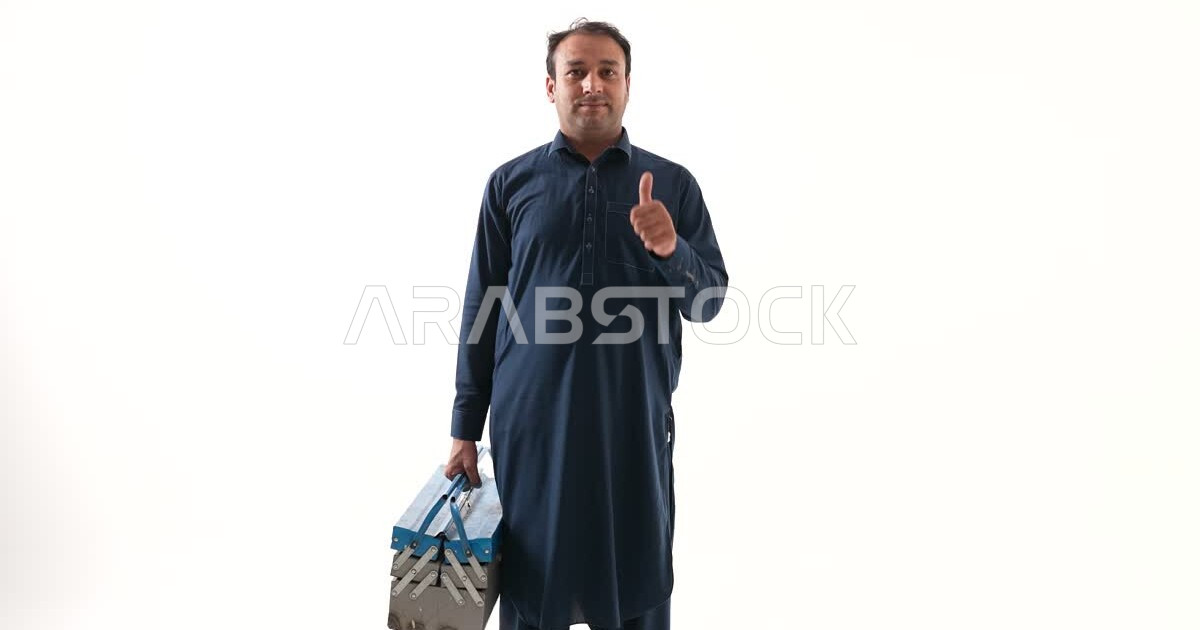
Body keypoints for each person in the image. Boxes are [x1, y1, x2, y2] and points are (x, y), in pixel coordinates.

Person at [443, 19, 728, 630]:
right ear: (551, 87)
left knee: (636, 591)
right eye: (576, 71)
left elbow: (708, 304)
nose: (592, 84)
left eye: (608, 71)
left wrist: (671, 249)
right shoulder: (511, 184)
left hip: (632, 430)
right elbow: (481, 313)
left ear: (629, 85)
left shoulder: (673, 185)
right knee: (530, 593)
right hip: (530, 435)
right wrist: (466, 427)